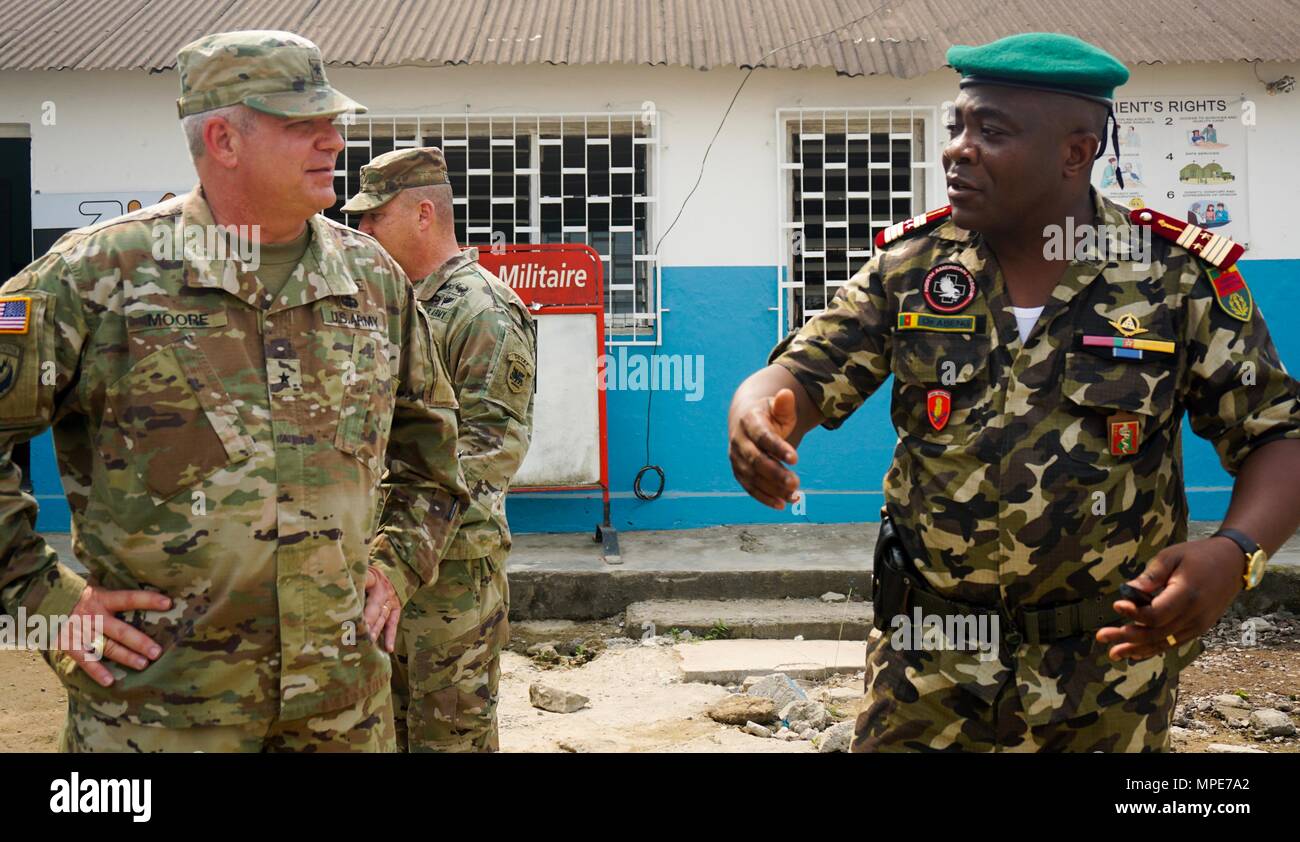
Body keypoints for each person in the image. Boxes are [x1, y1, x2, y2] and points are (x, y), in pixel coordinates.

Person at [727, 32, 1300, 752]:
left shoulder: (1173, 278)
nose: (958, 150)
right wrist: (756, 404)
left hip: (1105, 678)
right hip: (925, 672)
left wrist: (1236, 552)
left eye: (991, 131)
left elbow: (1277, 434)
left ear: (1076, 151)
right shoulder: (911, 269)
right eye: (957, 127)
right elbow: (805, 373)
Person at [0, 30, 470, 752]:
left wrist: (397, 568)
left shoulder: (372, 280)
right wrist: (46, 599)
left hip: (341, 715)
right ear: (223, 138)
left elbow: (434, 445)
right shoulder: (98, 277)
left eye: (334, 122)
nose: (335, 142)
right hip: (157, 719)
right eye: (303, 125)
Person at [343, 148, 536, 752]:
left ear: (423, 213)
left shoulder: (482, 310)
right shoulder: (390, 305)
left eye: (375, 216)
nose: (362, 230)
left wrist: (406, 554)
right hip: (381, 571)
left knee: (449, 738)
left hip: (449, 578)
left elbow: (490, 450)